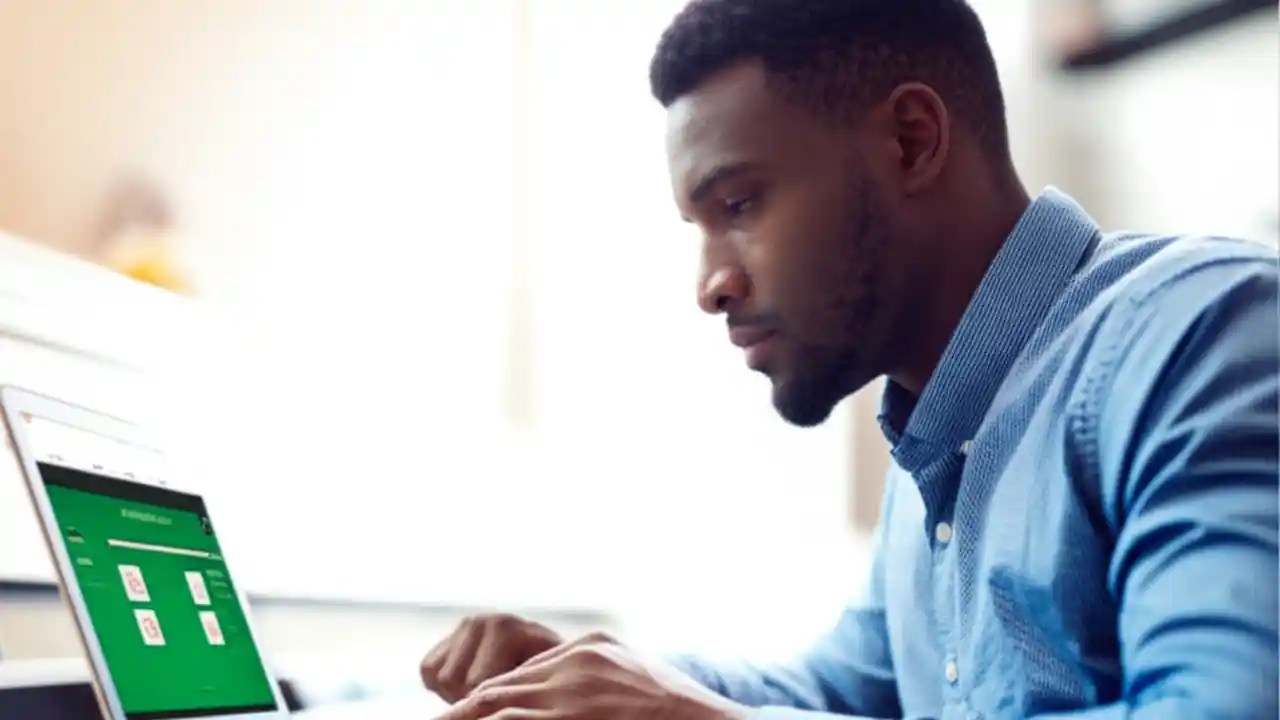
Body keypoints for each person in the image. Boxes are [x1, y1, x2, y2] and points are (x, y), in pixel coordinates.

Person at [422, 1, 1280, 718]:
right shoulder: (939, 441)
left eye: (740, 202)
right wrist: (586, 675)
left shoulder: (1203, 331)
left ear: (910, 140)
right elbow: (839, 692)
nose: (710, 285)